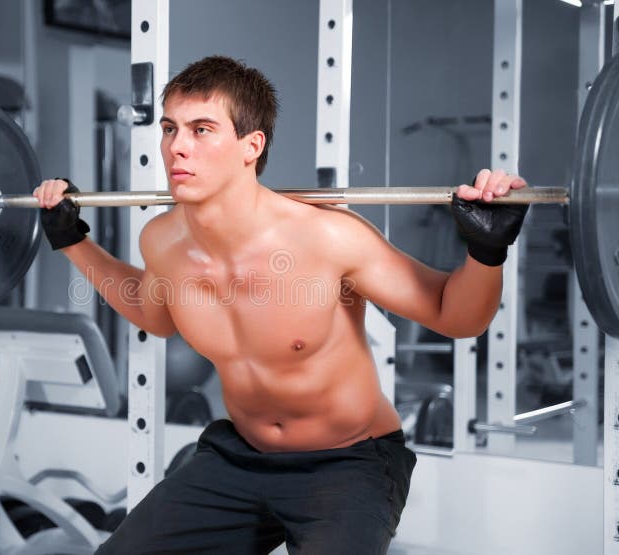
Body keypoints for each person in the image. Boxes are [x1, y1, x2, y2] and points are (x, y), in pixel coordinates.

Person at [33, 56, 527, 554]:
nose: (177, 147)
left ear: (252, 145)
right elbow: (154, 315)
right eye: (170, 128)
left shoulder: (329, 238)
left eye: (202, 129)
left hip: (348, 464)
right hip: (239, 458)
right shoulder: (162, 240)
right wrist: (72, 240)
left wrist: (486, 252)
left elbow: (457, 315)